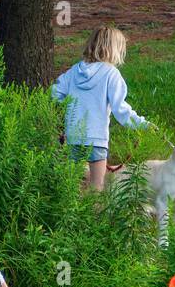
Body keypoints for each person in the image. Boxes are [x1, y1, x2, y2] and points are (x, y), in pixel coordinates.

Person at [51, 25, 152, 191]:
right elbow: (121, 110)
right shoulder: (111, 74)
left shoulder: (74, 71)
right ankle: (92, 215)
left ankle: (72, 215)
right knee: (96, 187)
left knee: (70, 188)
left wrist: (68, 110)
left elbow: (55, 93)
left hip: (73, 137)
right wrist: (143, 124)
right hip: (96, 140)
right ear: (114, 49)